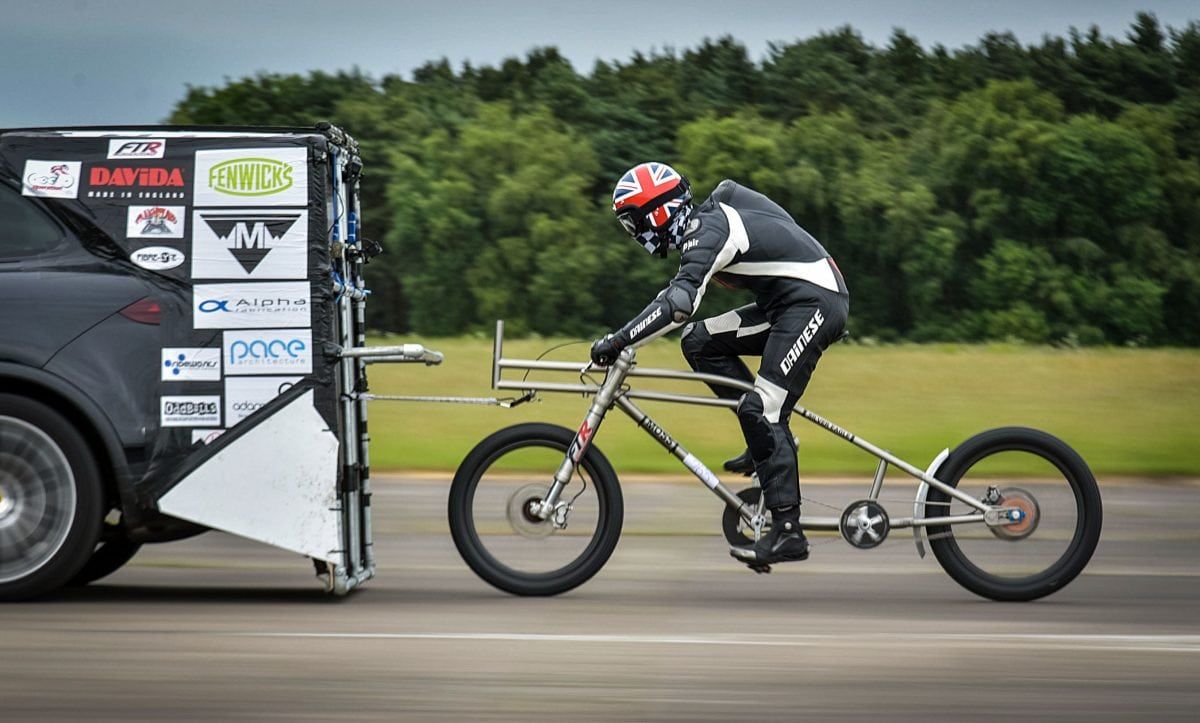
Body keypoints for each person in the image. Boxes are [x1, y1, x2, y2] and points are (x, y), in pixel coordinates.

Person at [590, 162, 849, 568]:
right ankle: (764, 441)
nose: (635, 234)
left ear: (658, 213)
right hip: (788, 304)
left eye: (634, 223)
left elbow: (678, 305)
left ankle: (787, 533)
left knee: (761, 408)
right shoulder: (712, 218)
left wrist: (619, 340)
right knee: (699, 342)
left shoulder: (705, 229)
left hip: (812, 303)